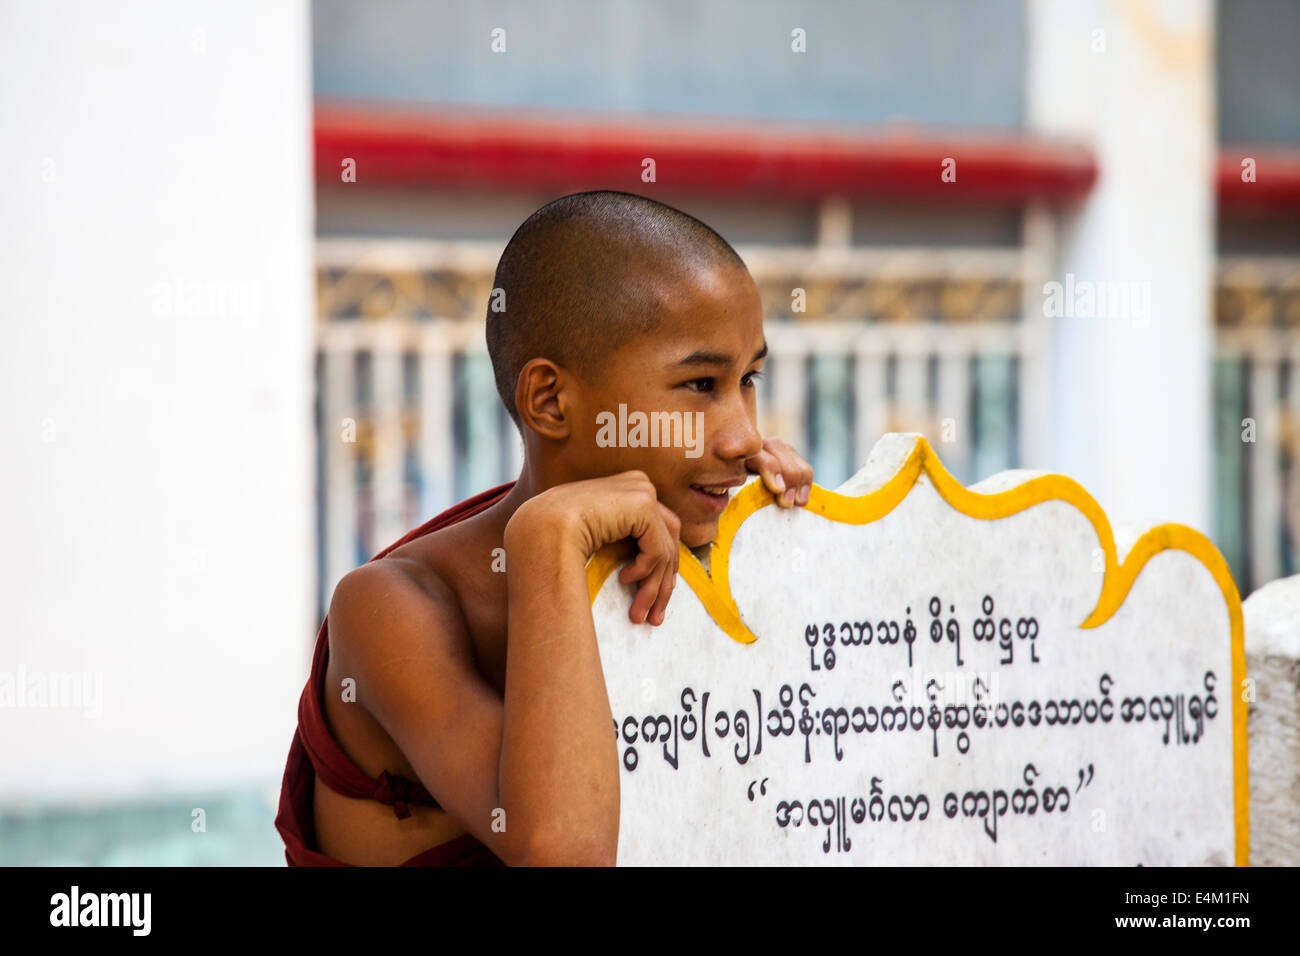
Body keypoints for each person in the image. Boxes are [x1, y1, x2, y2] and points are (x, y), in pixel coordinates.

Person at [274, 190, 814, 866]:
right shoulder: (391, 609)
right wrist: (550, 540)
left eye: (750, 379)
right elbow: (563, 854)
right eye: (702, 385)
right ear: (551, 402)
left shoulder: (683, 553)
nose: (745, 436)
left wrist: (784, 541)